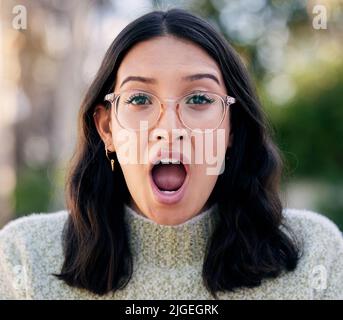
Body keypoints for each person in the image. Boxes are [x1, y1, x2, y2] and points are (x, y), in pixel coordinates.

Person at [0, 8, 342, 300]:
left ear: (232, 129)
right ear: (107, 129)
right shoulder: (24, 259)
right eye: (139, 100)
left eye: (198, 99)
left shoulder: (314, 257)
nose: (170, 127)